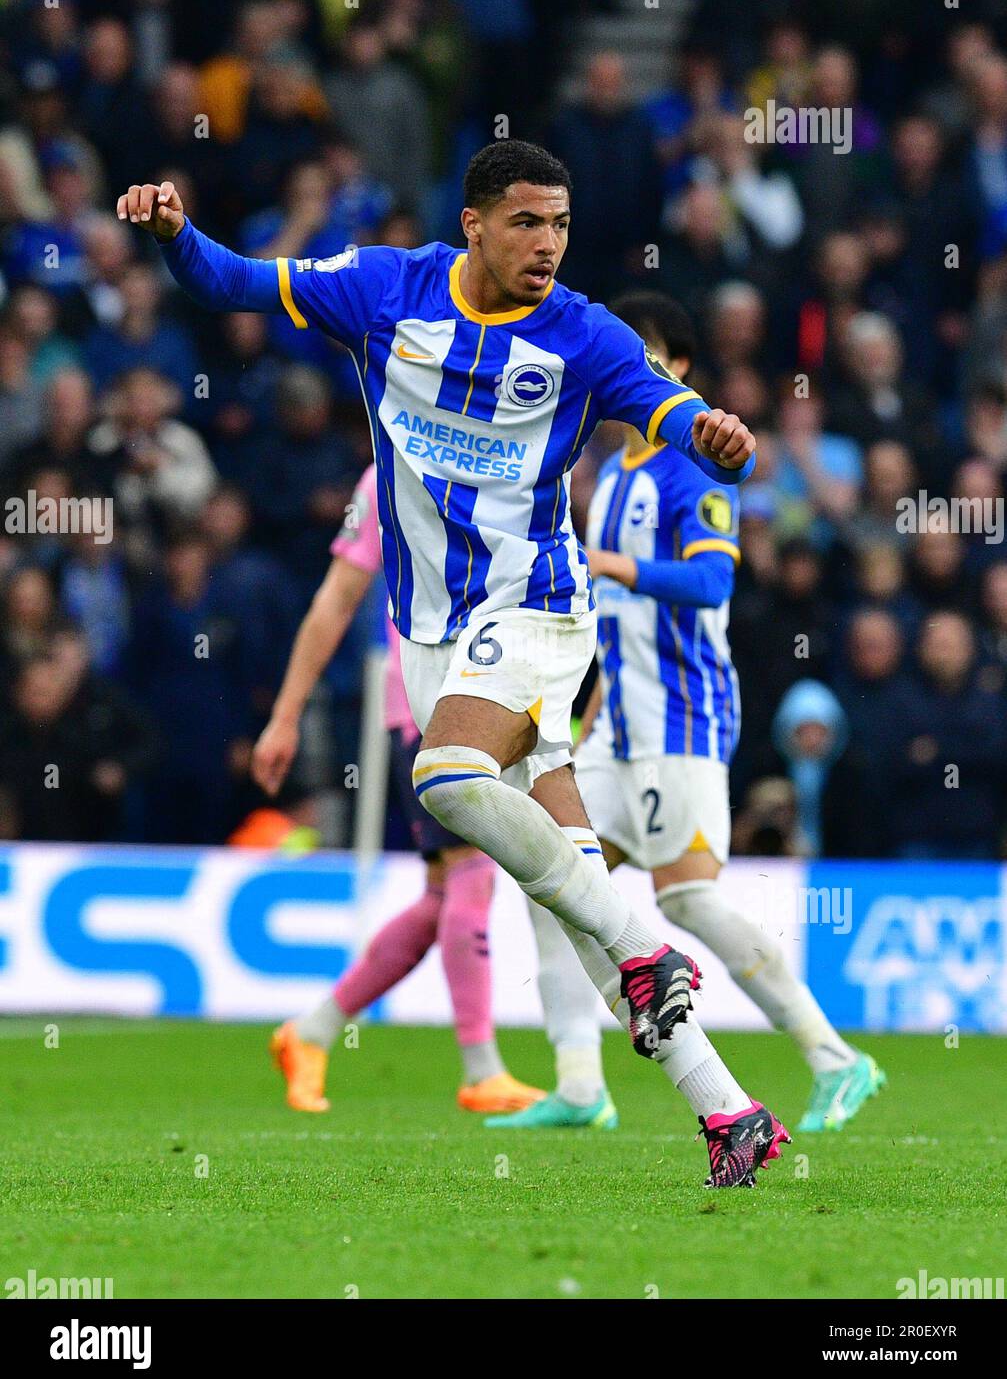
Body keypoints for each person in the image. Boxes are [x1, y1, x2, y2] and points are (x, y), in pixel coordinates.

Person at [116, 139, 786, 1187]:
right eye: (526, 222)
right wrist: (172, 233)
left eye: (560, 225)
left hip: (537, 609)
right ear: (472, 222)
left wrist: (712, 433)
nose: (548, 245)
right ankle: (729, 1112)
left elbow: (664, 410)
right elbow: (232, 284)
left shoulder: (581, 333)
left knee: (443, 775)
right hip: (430, 631)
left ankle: (650, 950)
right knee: (575, 903)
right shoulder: (387, 290)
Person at [516, 291, 884, 1135]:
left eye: (645, 355)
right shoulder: (608, 474)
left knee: (686, 903)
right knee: (548, 877)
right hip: (619, 727)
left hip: (683, 719)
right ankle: (578, 1082)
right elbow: (616, 625)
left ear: (677, 368)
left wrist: (607, 562)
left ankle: (836, 1057)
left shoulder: (693, 465)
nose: (628, 369)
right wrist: (589, 711)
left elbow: (713, 580)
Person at [252, 463, 547, 1117]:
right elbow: (335, 598)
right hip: (425, 707)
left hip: (492, 700)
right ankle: (481, 1071)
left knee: (442, 897)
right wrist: (286, 714)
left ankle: (311, 1032)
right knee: (470, 874)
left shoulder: (504, 451)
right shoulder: (382, 476)